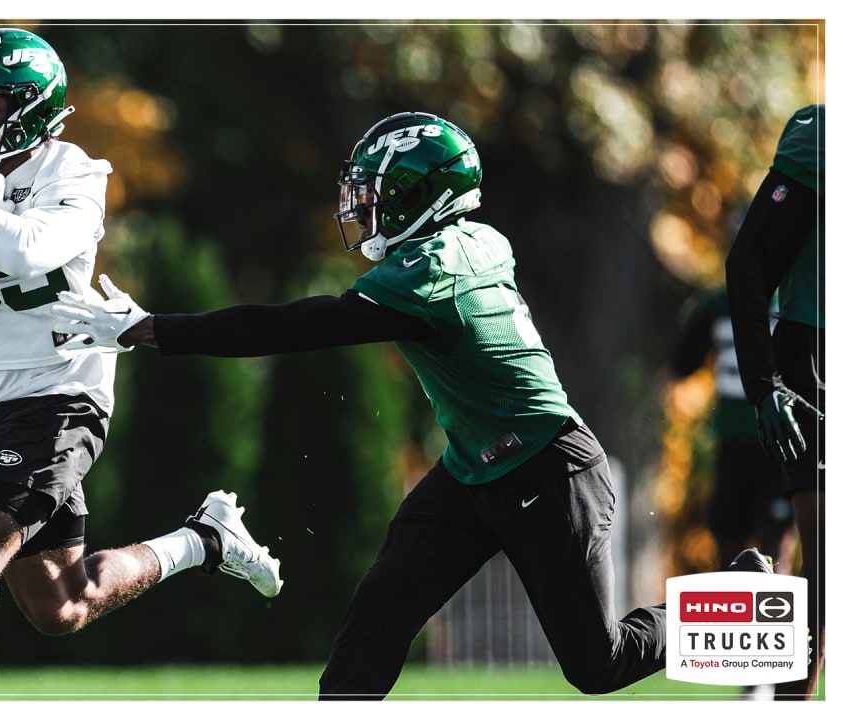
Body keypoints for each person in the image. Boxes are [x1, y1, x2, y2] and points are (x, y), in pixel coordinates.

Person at [53, 111, 773, 698]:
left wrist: (155, 330)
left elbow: (297, 328)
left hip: (546, 470)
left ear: (422, 196)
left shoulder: (432, 273)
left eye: (376, 191)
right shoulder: (476, 240)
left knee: (599, 666)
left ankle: (729, 594)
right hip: (472, 468)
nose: (360, 206)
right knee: (378, 615)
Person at [0, 28, 282, 701]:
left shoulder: (74, 172)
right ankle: (201, 541)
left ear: (33, 109)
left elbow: (26, 251)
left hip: (64, 395)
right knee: (59, 604)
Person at [724, 103, 825, 701]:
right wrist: (762, 385)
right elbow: (747, 261)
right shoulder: (822, 134)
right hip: (815, 354)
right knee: (824, 570)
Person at [669, 284, 796, 572]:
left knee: (761, 545)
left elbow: (681, 364)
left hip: (761, 440)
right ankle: (748, 611)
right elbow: (683, 363)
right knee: (758, 544)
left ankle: (771, 613)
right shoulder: (794, 300)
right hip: (768, 439)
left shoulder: (720, 303)